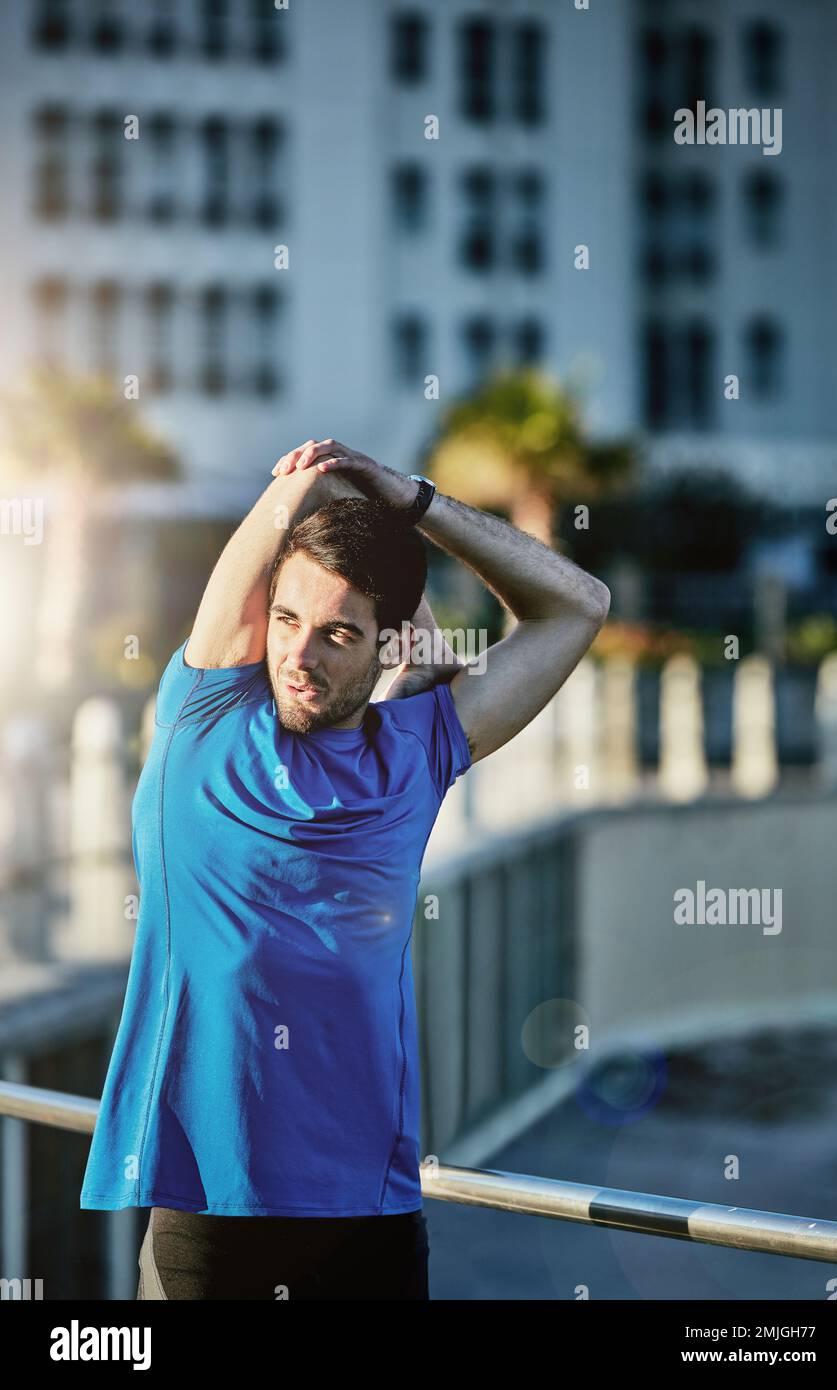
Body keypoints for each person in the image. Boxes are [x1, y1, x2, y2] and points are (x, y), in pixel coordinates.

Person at [80, 438, 611, 1299]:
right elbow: (282, 511)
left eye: (337, 634)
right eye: (288, 620)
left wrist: (417, 501)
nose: (299, 654)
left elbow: (579, 605)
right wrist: (320, 478)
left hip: (369, 1218)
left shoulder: (420, 750)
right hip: (209, 1213)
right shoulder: (203, 713)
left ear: (389, 643)